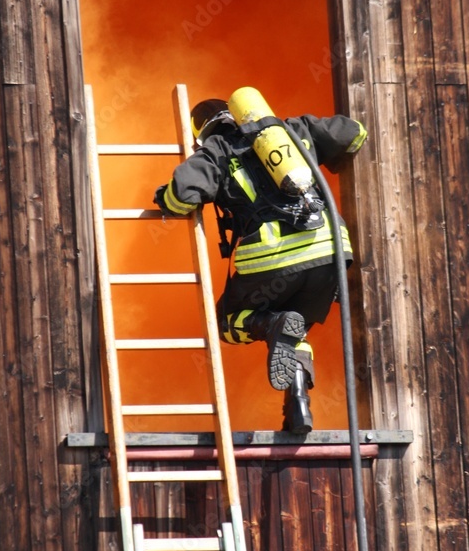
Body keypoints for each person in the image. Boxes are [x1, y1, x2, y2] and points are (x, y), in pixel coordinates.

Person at [153, 95, 367, 435]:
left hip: (275, 257)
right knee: (297, 330)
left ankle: (270, 324)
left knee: (226, 323)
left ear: (200, 133)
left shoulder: (216, 151)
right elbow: (354, 133)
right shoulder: (291, 129)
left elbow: (183, 197)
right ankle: (297, 409)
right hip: (330, 252)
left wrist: (163, 196)